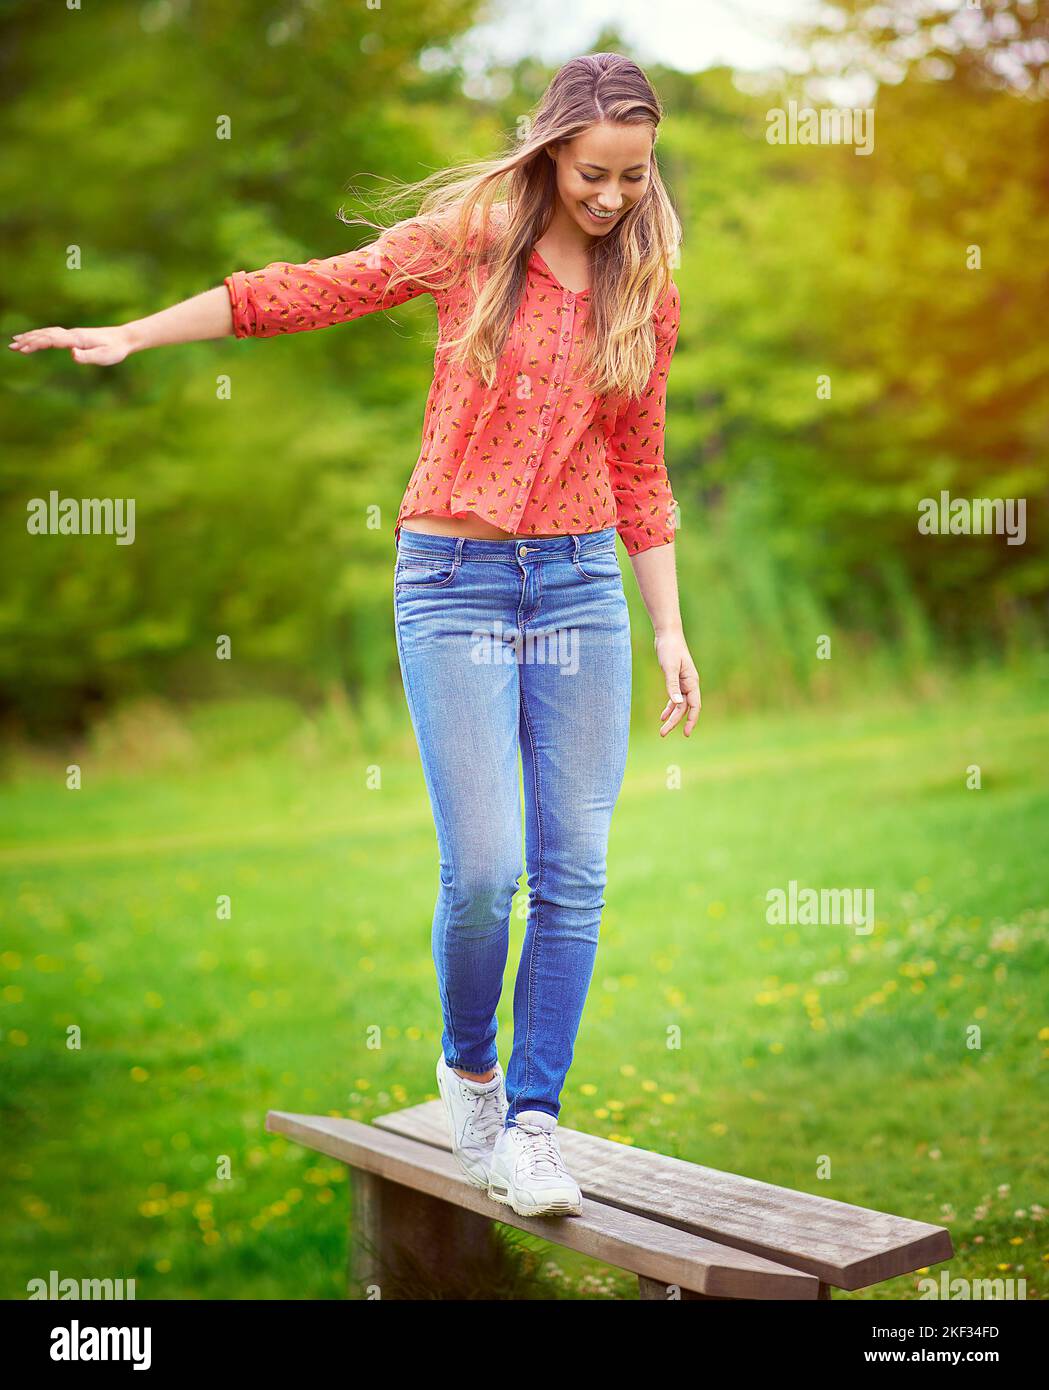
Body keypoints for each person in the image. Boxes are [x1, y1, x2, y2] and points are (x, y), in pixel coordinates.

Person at [9, 52, 702, 1219]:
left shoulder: (646, 285)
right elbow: (305, 288)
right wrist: (136, 330)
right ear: (547, 150)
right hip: (453, 581)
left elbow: (638, 465)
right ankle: (468, 1068)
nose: (612, 198)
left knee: (573, 875)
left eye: (633, 178)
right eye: (594, 174)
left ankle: (532, 1121)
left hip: (581, 585)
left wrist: (668, 624)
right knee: (486, 871)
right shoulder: (470, 241)